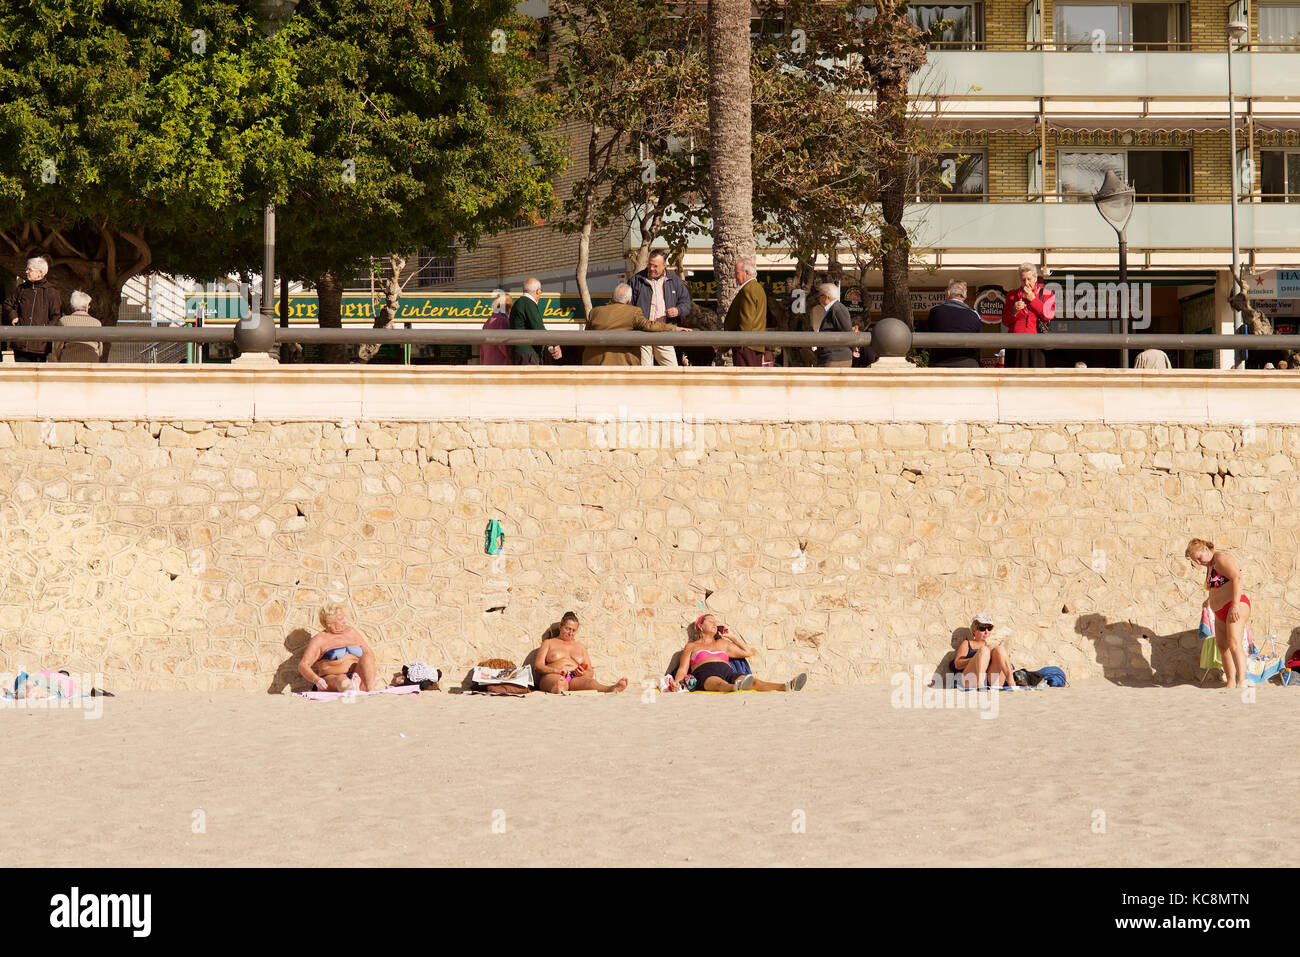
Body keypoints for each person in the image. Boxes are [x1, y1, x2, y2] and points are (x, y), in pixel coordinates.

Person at [672, 613, 807, 692]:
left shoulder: (722, 643)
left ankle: (786, 686)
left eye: (716, 622)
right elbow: (683, 669)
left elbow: (746, 652)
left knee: (753, 681)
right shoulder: (692, 646)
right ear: (700, 626)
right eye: (710, 621)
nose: (714, 623)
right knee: (719, 684)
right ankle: (735, 688)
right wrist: (677, 682)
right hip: (705, 672)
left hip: (727, 671)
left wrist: (731, 636)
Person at [1186, 538, 1251, 689]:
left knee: (1234, 643)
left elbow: (1237, 578)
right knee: (1223, 646)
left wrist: (1234, 605)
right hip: (1220, 610)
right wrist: (1209, 600)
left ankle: (1241, 680)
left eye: (1199, 557)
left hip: (1234, 605)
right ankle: (1230, 681)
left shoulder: (1221, 559)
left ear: (1206, 550)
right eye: (1195, 559)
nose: (1199, 562)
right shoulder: (1210, 565)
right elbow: (1220, 585)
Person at [583, 282, 691, 366]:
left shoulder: (595, 312)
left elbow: (585, 336)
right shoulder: (633, 312)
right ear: (629, 300)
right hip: (622, 363)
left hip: (593, 361)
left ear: (612, 297)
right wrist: (675, 329)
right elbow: (650, 326)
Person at [298, 602, 384, 692]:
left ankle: (370, 689)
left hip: (356, 675)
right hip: (333, 678)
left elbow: (368, 652)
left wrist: (370, 673)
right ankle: (352, 689)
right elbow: (303, 665)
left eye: (344, 618)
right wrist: (316, 679)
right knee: (342, 679)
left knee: (367, 657)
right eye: (340, 619)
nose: (344, 621)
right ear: (328, 623)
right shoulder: (320, 639)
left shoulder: (351, 632)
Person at [534, 611, 628, 694]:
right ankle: (558, 689)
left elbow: (590, 671)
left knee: (591, 682)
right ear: (560, 626)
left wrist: (582, 674)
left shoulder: (580, 646)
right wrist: (556, 671)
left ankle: (610, 689)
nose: (570, 633)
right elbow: (538, 666)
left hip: (574, 678)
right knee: (560, 683)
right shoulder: (549, 643)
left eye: (573, 630)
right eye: (567, 629)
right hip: (552, 676)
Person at [630, 249, 693, 367]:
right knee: (645, 372)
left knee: (673, 370)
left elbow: (686, 304)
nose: (651, 268)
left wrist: (678, 311)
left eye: (655, 266)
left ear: (665, 265)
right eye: (650, 264)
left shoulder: (675, 281)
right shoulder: (636, 280)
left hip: (665, 332)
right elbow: (629, 308)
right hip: (642, 333)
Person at [2, 256, 63, 362]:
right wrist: (13, 317)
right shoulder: (21, 289)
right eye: (27, 269)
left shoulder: (51, 291)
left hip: (40, 346)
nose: (26, 272)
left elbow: (56, 316)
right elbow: (7, 304)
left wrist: (44, 332)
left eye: (29, 269)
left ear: (40, 272)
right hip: (20, 343)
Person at [1000, 263, 1054, 369]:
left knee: (1035, 379)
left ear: (1035, 278)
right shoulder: (1012, 295)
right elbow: (1005, 321)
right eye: (1023, 280)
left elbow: (1048, 316)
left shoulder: (1047, 294)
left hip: (1036, 343)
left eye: (1029, 279)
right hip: (1015, 343)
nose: (1026, 283)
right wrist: (1014, 311)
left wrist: (1033, 300)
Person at [722, 259, 770, 367]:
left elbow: (746, 321)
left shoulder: (748, 290)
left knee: (744, 381)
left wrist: (739, 345)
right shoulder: (758, 288)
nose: (734, 276)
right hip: (754, 345)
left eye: (737, 272)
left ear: (747, 273)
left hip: (746, 347)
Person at [950, 612, 1016, 689]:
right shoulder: (967, 643)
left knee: (1000, 649)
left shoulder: (990, 646)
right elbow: (957, 664)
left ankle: (1011, 682)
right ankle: (980, 683)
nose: (986, 632)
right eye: (982, 628)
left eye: (989, 628)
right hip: (969, 679)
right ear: (974, 630)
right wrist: (977, 658)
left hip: (991, 681)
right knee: (984, 651)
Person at [925, 279, 982, 368]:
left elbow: (930, 331)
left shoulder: (935, 311)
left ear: (948, 293)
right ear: (965, 296)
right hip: (968, 363)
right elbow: (980, 340)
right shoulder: (974, 315)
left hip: (939, 362)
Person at [509, 277, 560, 365]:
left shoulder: (518, 303)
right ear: (538, 291)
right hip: (528, 356)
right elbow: (539, 329)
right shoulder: (528, 303)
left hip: (519, 354)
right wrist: (555, 344)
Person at [52, 290, 103, 363]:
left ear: (72, 306)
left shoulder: (64, 321)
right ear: (87, 307)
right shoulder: (96, 323)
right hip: (91, 361)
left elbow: (58, 346)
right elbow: (100, 349)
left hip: (68, 361)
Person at [813, 283, 854, 368]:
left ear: (826, 296)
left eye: (819, 296)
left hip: (837, 359)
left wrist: (853, 349)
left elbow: (847, 332)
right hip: (829, 358)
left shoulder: (837, 309)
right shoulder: (831, 309)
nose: (818, 299)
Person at [479, 290, 514, 366]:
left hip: (488, 364)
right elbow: (504, 346)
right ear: (508, 307)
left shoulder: (488, 322)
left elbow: (482, 350)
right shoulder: (502, 320)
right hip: (501, 365)